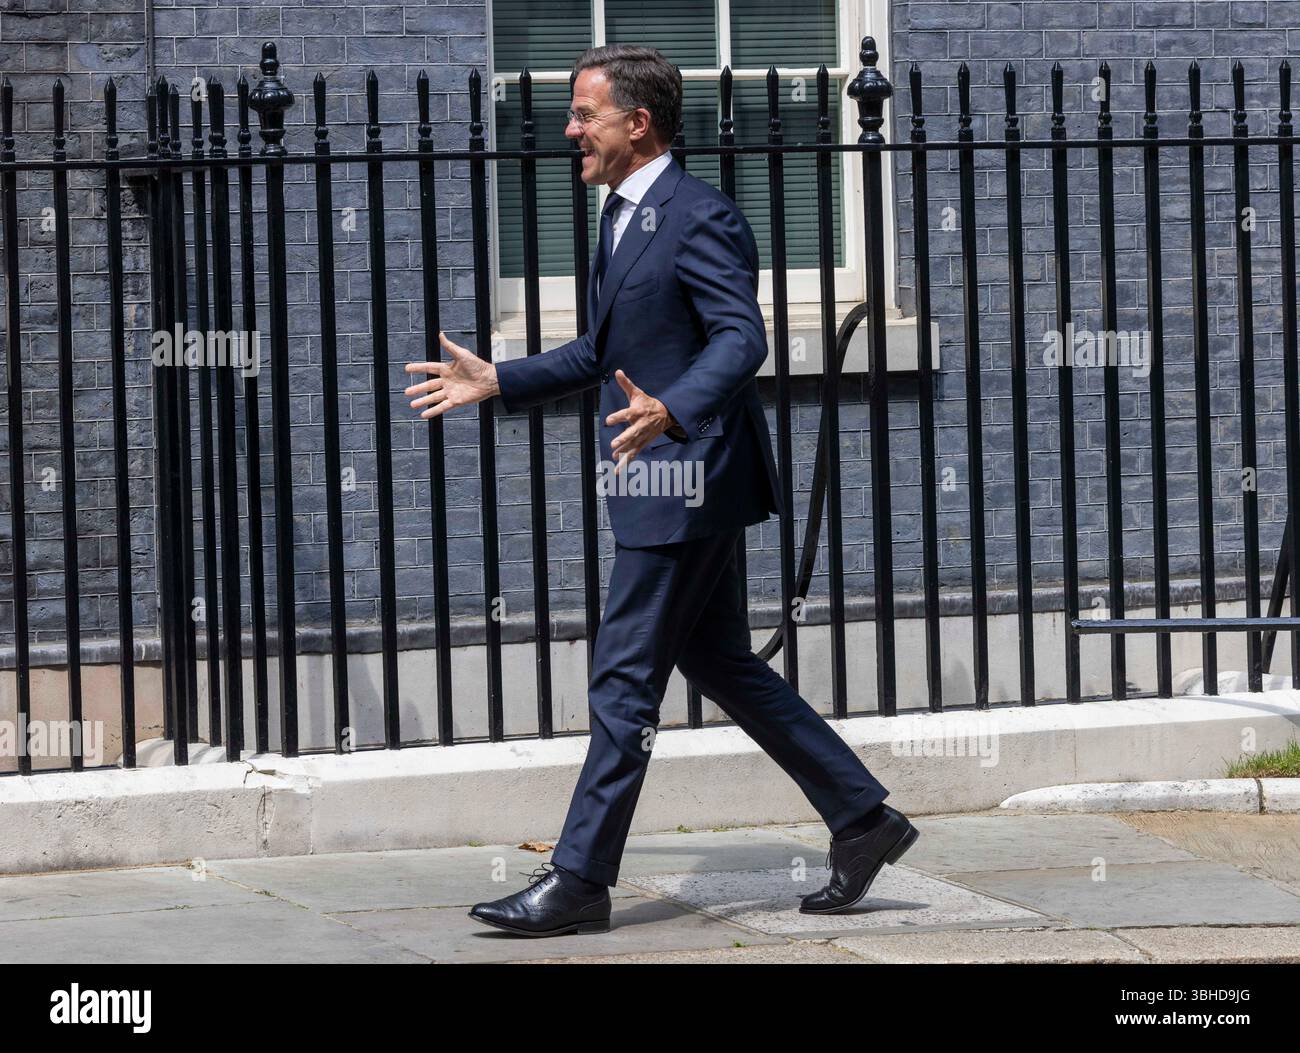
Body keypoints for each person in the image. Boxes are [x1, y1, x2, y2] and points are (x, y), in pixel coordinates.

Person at [403, 44, 917, 938]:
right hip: (661, 476)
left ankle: (579, 879)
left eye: (584, 115)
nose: (570, 130)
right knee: (719, 660)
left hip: (687, 477)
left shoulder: (697, 216)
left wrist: (673, 411)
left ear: (637, 124)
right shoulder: (619, 217)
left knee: (623, 680)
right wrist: (502, 380)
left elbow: (740, 337)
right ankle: (864, 819)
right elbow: (603, 355)